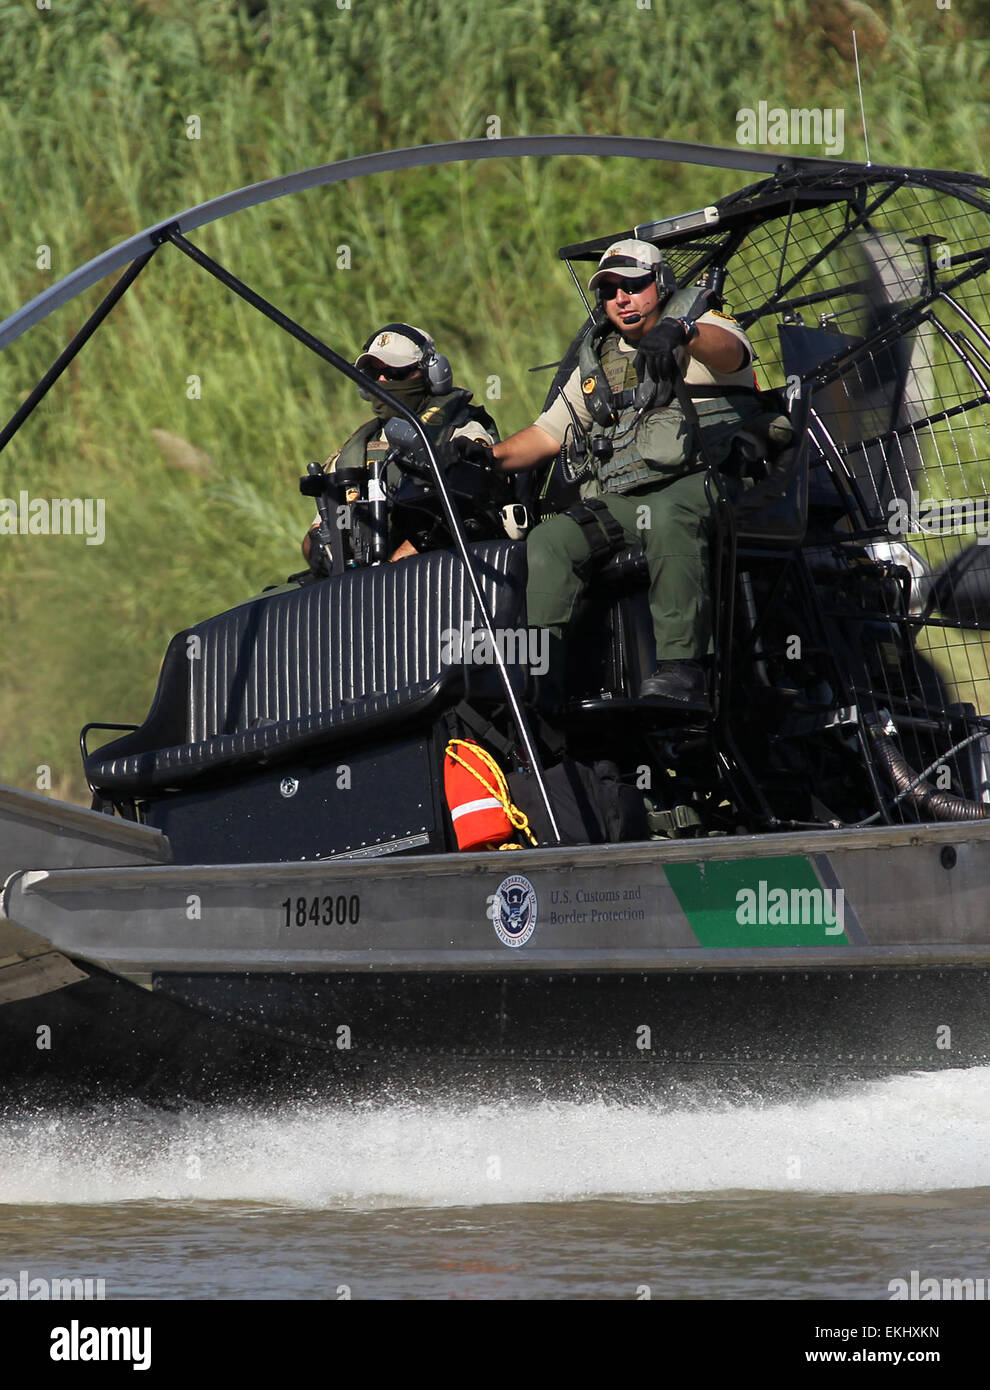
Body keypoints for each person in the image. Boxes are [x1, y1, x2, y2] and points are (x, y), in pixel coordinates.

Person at [492, 239, 760, 713]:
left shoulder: (701, 324)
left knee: (665, 514)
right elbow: (546, 434)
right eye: (611, 289)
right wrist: (484, 460)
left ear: (659, 285)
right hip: (625, 498)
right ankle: (542, 681)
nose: (622, 298)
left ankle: (683, 669)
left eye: (634, 286)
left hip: (702, 484)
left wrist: (683, 334)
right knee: (552, 538)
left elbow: (734, 354)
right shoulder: (600, 361)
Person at [303, 322, 497, 567]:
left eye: (395, 373)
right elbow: (316, 530)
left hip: (441, 571)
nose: (383, 381)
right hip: (360, 583)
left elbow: (475, 506)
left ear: (432, 374)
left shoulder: (460, 430)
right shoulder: (357, 449)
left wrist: (401, 559)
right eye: (374, 375)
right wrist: (318, 550)